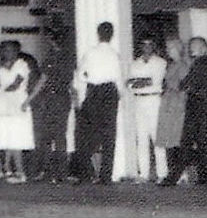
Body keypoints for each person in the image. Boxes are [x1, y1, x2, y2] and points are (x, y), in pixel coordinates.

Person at [71, 21, 122, 185]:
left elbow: (79, 75)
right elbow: (118, 78)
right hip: (109, 92)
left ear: (98, 34)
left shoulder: (90, 53)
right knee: (108, 135)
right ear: (111, 35)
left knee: (86, 133)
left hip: (94, 91)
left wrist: (89, 78)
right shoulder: (114, 54)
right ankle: (105, 176)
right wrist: (119, 96)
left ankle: (85, 174)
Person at [160, 36, 207, 186]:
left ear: (203, 49)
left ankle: (174, 177)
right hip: (201, 105)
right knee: (201, 141)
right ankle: (203, 174)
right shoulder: (206, 64)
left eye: (194, 46)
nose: (191, 49)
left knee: (187, 142)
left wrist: (182, 85)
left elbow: (186, 83)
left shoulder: (199, 64)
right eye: (191, 46)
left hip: (194, 105)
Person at [27, 30, 74, 183]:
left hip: (52, 98)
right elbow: (71, 81)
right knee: (61, 135)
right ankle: (61, 173)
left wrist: (29, 99)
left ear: (52, 40)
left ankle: (47, 171)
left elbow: (42, 80)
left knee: (47, 136)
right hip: (64, 97)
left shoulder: (51, 57)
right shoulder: (69, 57)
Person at [0, 40, 34, 183]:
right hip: (2, 105)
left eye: (11, 50)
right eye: (5, 50)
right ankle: (12, 170)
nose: (8, 53)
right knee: (8, 138)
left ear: (16, 51)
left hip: (18, 103)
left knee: (17, 139)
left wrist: (2, 88)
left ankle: (20, 172)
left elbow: (15, 85)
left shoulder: (22, 65)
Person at [125, 37, 166, 183]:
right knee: (141, 137)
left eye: (150, 44)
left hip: (154, 100)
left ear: (153, 46)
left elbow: (154, 81)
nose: (147, 47)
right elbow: (129, 83)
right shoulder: (135, 63)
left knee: (157, 137)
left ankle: (162, 173)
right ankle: (144, 173)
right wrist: (140, 81)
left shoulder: (160, 62)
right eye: (144, 44)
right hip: (139, 100)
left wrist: (139, 81)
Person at [155, 37, 188, 184]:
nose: (168, 51)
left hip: (176, 104)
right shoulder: (172, 65)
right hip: (168, 103)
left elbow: (183, 86)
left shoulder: (182, 66)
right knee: (168, 137)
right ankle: (173, 171)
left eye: (170, 48)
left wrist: (170, 87)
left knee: (175, 137)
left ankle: (179, 172)